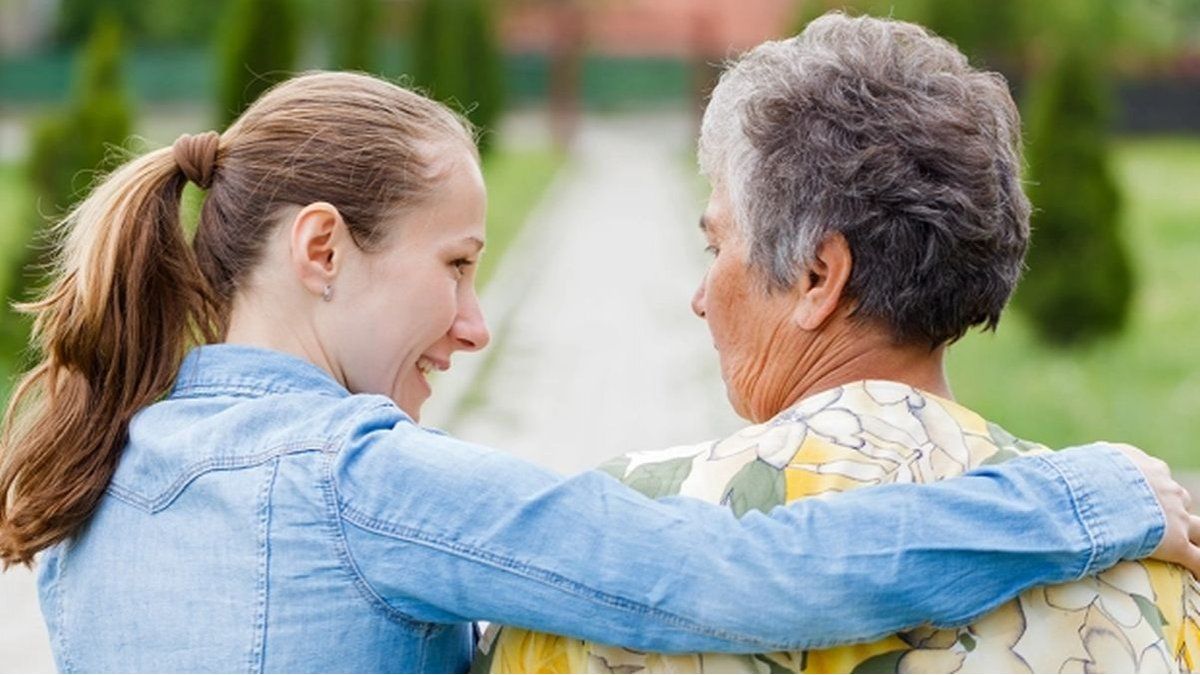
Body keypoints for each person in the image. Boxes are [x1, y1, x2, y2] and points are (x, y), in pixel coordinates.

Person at [0, 71, 1193, 674]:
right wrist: (1084, 498)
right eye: (459, 264)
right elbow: (739, 575)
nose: (474, 325)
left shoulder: (86, 484)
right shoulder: (357, 483)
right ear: (322, 248)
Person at [480, 13, 1200, 674]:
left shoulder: (613, 548)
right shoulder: (1151, 559)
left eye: (714, 247)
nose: (700, 299)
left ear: (818, 274)